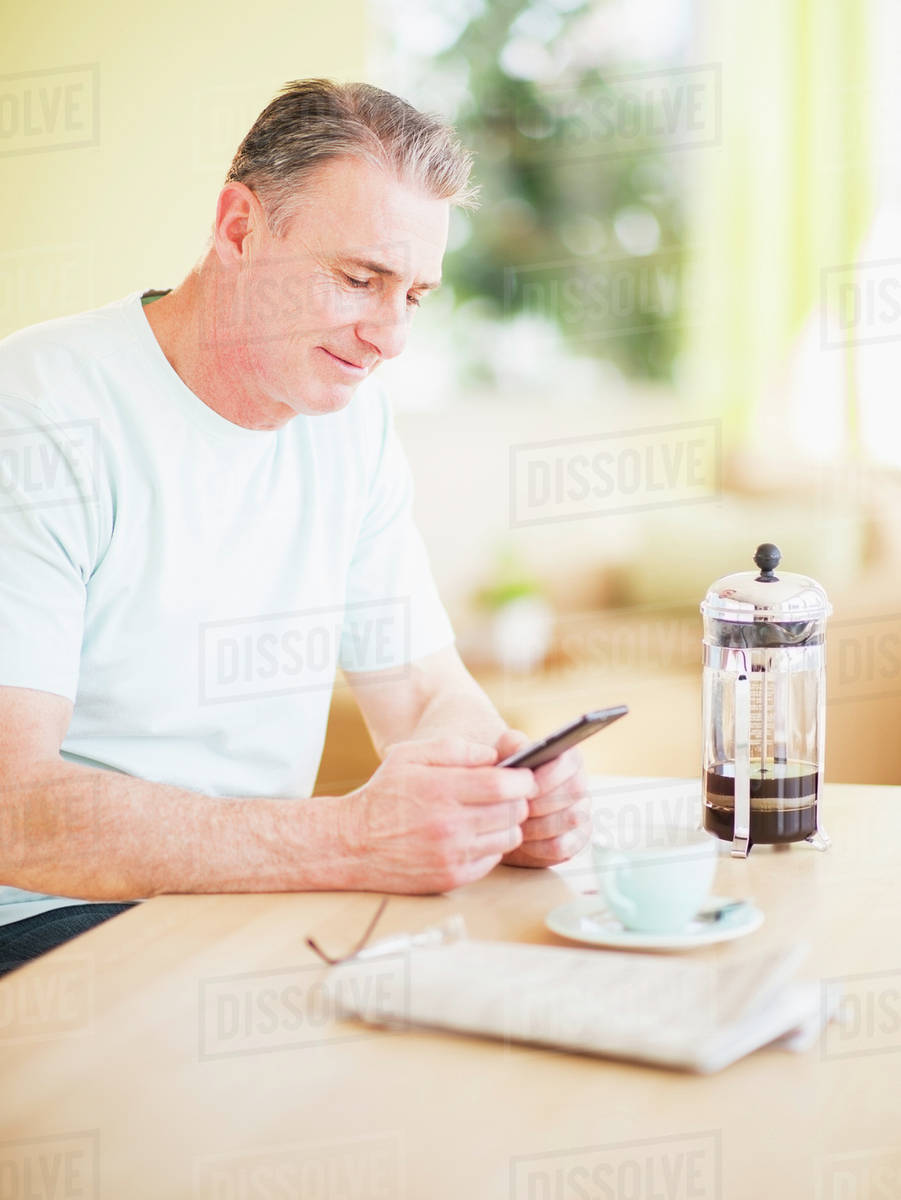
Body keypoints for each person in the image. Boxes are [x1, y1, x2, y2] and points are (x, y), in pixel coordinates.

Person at [0, 79, 590, 976]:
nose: (389, 337)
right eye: (360, 280)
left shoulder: (349, 424)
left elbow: (426, 696)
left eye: (415, 297)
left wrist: (500, 788)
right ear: (239, 228)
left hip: (254, 904)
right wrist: (348, 839)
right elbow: (12, 808)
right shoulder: (40, 411)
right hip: (49, 923)